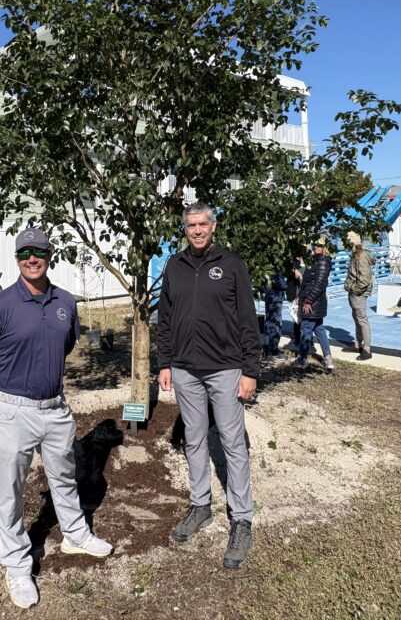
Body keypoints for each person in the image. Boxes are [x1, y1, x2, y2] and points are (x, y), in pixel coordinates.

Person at [0, 227, 112, 609]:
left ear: (50, 256)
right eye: (24, 253)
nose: (32, 258)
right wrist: (10, 382)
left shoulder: (65, 301)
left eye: (40, 252)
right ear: (16, 259)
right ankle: (16, 563)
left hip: (55, 408)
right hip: (12, 410)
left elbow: (65, 344)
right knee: (10, 490)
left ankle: (75, 535)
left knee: (64, 476)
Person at [157, 202, 261, 570]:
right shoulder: (175, 265)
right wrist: (165, 362)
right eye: (190, 225)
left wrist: (250, 369)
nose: (197, 230)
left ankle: (242, 519)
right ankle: (200, 506)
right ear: (184, 228)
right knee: (195, 439)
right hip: (185, 370)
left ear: (213, 226)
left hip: (225, 368)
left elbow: (248, 319)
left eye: (203, 224)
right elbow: (165, 319)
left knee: (233, 442)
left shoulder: (231, 265)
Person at [293, 235, 333, 371]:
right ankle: (328, 359)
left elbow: (319, 284)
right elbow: (307, 283)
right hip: (311, 301)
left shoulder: (323, 261)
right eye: (315, 245)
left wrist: (308, 300)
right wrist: (300, 296)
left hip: (313, 303)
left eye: (319, 245)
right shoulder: (316, 260)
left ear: (324, 247)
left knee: (306, 329)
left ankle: (302, 359)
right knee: (319, 329)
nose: (316, 247)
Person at [343, 232, 374, 360]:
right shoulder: (355, 255)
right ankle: (358, 343)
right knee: (357, 317)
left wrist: (354, 289)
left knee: (361, 318)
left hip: (358, 292)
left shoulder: (361, 257)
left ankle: (367, 348)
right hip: (354, 290)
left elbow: (364, 279)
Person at [262, 272, 288, 363]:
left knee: (268, 323)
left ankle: (266, 350)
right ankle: (273, 351)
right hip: (276, 299)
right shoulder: (276, 270)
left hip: (268, 298)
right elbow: (283, 285)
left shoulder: (263, 269)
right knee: (276, 324)